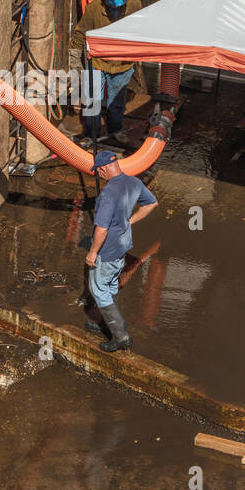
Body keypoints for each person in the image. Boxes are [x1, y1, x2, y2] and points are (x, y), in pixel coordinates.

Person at [82, 149, 158, 352]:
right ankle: (104, 323)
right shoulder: (134, 182)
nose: (99, 174)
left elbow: (102, 228)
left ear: (106, 167)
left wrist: (93, 252)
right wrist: (129, 220)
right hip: (123, 246)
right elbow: (152, 203)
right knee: (110, 284)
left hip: (107, 249)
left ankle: (121, 337)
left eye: (98, 170)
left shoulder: (108, 193)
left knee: (99, 290)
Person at [70, 0, 143, 146]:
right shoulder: (93, 9)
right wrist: (75, 61)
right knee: (91, 102)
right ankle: (91, 134)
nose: (118, 11)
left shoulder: (135, 5)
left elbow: (143, 28)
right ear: (104, 0)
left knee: (116, 103)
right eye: (113, 8)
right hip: (97, 63)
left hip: (123, 64)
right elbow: (81, 34)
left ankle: (115, 131)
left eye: (121, 8)